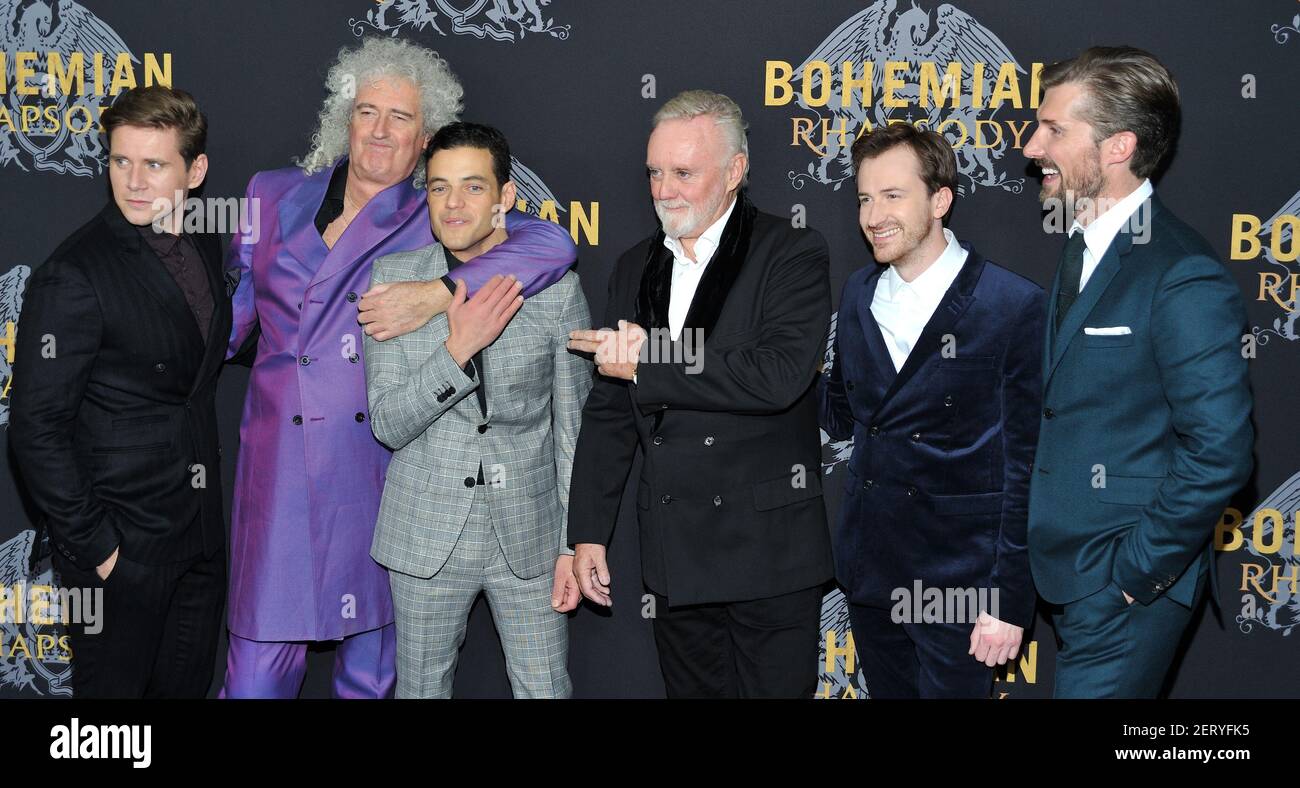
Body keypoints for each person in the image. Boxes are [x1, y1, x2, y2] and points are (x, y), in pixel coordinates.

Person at [220, 37, 576, 698]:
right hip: (279, 475)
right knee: (255, 681)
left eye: (401, 117)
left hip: (376, 471)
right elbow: (231, 317)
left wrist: (439, 291)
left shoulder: (435, 213)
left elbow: (552, 241)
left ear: (425, 138)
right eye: (367, 111)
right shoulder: (269, 196)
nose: (381, 129)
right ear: (343, 118)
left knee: (372, 678)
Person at [567, 90, 833, 698]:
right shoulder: (634, 266)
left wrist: (650, 358)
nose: (664, 190)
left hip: (768, 555)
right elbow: (609, 411)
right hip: (675, 554)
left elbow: (776, 374)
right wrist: (586, 531)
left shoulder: (790, 249)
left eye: (684, 173)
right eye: (656, 173)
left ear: (735, 170)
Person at [1023, 46, 1253, 698]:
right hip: (1069, 574)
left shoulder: (1180, 272)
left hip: (1121, 589)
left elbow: (1221, 451)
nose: (1032, 142)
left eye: (1055, 129)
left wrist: (1133, 574)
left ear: (1118, 146)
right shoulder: (1082, 249)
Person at [10, 86, 228, 697]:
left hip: (200, 540)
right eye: (119, 160)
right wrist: (101, 550)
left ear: (196, 170)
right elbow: (35, 428)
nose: (132, 181)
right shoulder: (74, 273)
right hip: (120, 550)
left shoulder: (206, 241)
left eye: (154, 164)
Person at [366, 122, 591, 698]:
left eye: (472, 187)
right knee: (421, 691)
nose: (454, 204)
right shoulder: (394, 282)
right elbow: (389, 423)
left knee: (545, 688)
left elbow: (573, 431)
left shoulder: (555, 289)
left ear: (505, 198)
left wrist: (571, 542)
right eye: (439, 188)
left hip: (532, 534)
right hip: (425, 532)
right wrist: (456, 350)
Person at [819, 123, 1042, 698]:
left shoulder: (1011, 305)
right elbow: (844, 414)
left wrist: (1009, 598)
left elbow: (1027, 465)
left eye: (893, 196)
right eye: (865, 198)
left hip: (961, 584)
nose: (873, 216)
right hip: (871, 574)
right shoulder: (858, 295)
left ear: (940, 200)